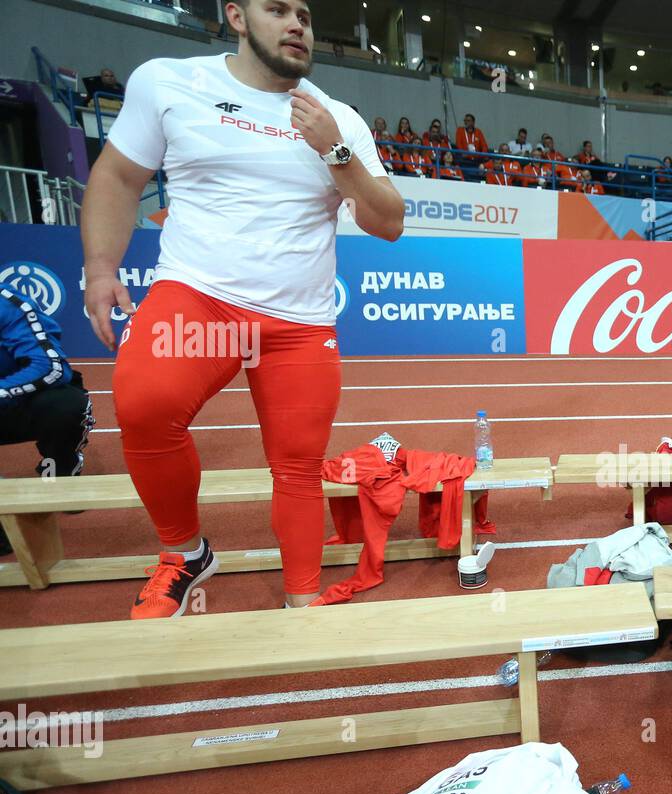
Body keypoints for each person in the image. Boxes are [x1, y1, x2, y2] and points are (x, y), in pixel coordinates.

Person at [82, 0, 404, 618]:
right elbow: (120, 177)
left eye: (305, 16)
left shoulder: (337, 119)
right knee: (145, 404)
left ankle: (301, 603)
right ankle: (184, 553)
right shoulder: (169, 81)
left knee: (297, 466)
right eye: (277, 10)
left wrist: (335, 152)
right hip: (200, 302)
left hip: (297, 326)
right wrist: (101, 269)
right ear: (235, 16)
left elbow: (387, 222)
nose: (296, 25)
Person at [0, 283, 95, 555]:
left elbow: (51, 368)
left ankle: (57, 470)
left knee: (65, 405)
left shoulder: (7, 303)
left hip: (17, 401)